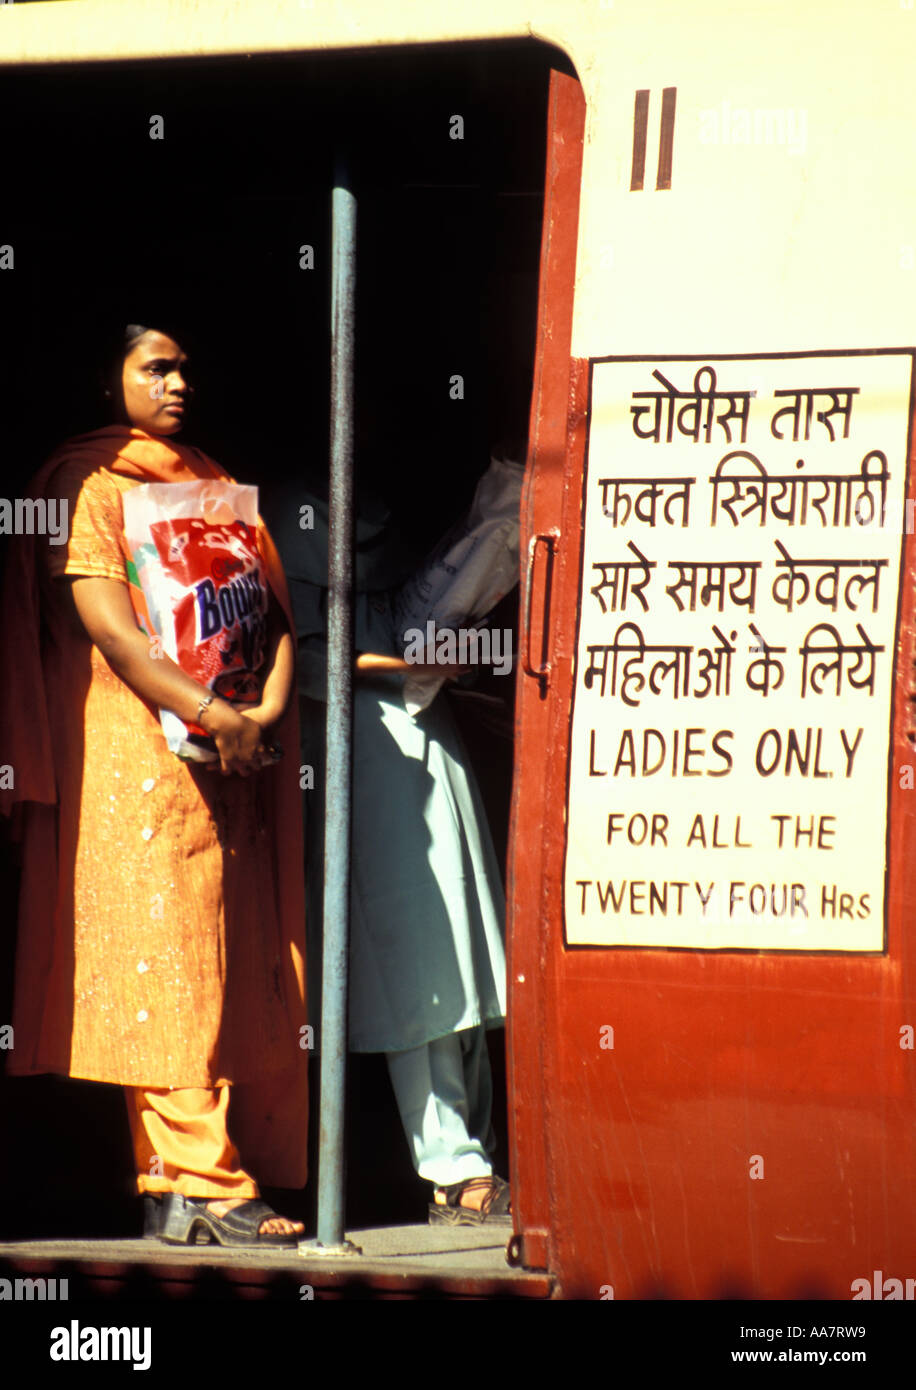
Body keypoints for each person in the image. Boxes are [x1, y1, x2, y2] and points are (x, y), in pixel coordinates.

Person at [0, 322, 309, 1246]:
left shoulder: (211, 482)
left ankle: (171, 1184)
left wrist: (260, 718)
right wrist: (213, 715)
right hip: (132, 755)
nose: (178, 382)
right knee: (162, 961)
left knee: (219, 958)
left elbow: (273, 618)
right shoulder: (84, 484)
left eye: (183, 368)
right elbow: (114, 631)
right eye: (155, 368)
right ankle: (208, 1186)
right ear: (109, 382)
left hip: (230, 762)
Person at [265, 475, 511, 1224]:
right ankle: (452, 1169)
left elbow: (405, 617)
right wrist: (405, 665)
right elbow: (305, 655)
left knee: (464, 963)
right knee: (419, 973)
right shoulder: (286, 514)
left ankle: (480, 1159)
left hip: (429, 737)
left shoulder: (385, 515)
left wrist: (444, 653)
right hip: (361, 750)